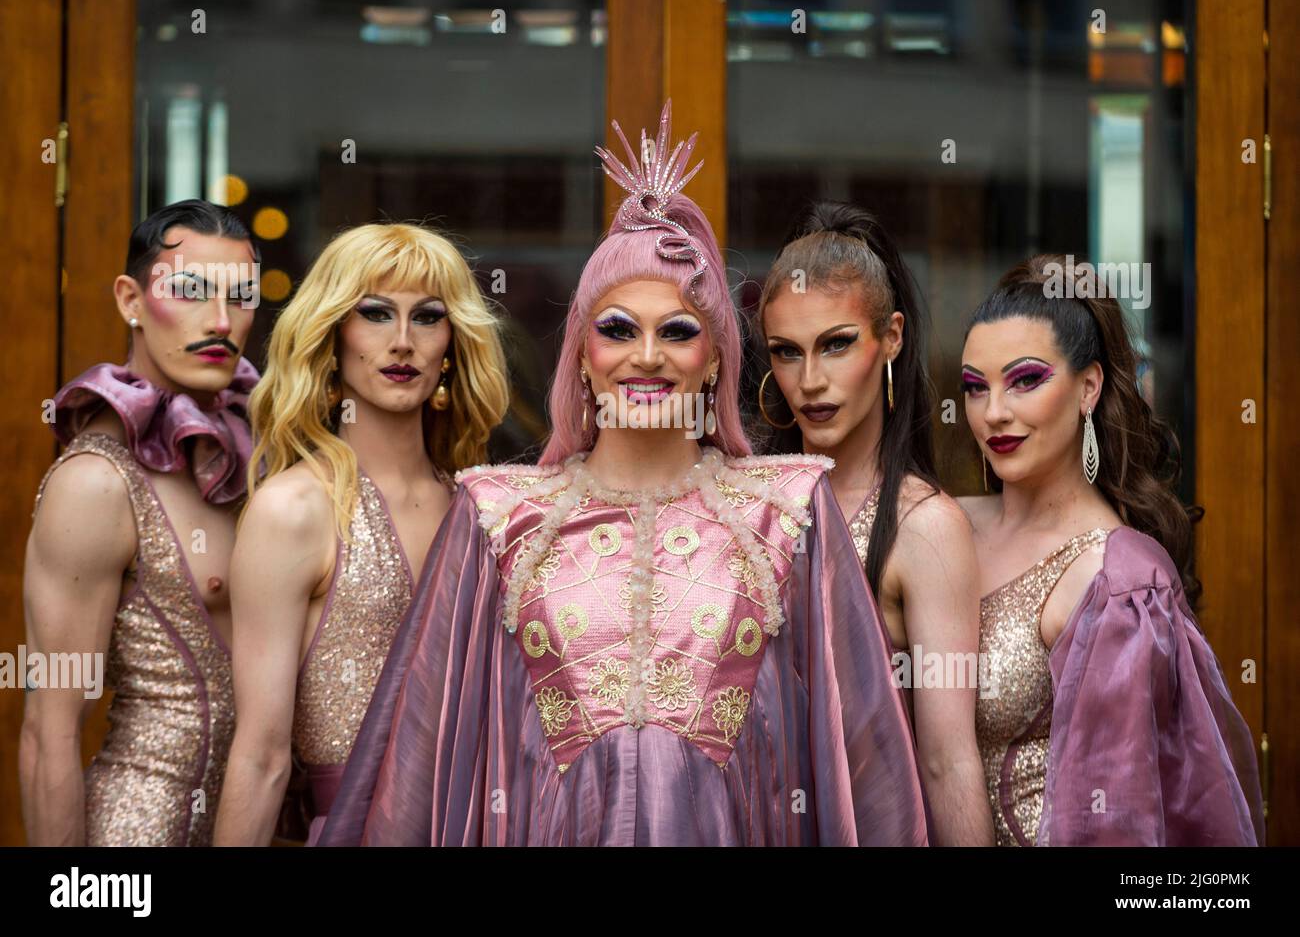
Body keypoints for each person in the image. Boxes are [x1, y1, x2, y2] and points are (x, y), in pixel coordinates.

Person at [316, 101, 928, 846]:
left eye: (677, 330)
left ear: (715, 360)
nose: (646, 355)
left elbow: (863, 767)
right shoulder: (498, 516)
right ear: (581, 353)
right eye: (617, 328)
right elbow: (420, 768)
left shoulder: (788, 509)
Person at [213, 223, 509, 845]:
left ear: (452, 344)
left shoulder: (484, 510)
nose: (402, 342)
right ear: (333, 334)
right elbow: (263, 758)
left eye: (427, 318)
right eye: (375, 314)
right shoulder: (293, 511)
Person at [958, 254, 1264, 845]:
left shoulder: (1118, 578)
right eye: (975, 388)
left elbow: (1115, 826)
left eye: (1026, 380)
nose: (994, 412)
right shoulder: (943, 526)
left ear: (1088, 388)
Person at [21, 199, 260, 845]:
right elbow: (50, 726)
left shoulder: (261, 456)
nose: (219, 320)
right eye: (187, 292)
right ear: (130, 298)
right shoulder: (96, 482)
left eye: (241, 297)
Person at [756, 201, 992, 846]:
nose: (809, 380)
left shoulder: (924, 526)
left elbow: (947, 761)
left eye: (836, 345)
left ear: (891, 336)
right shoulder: (744, 499)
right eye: (786, 351)